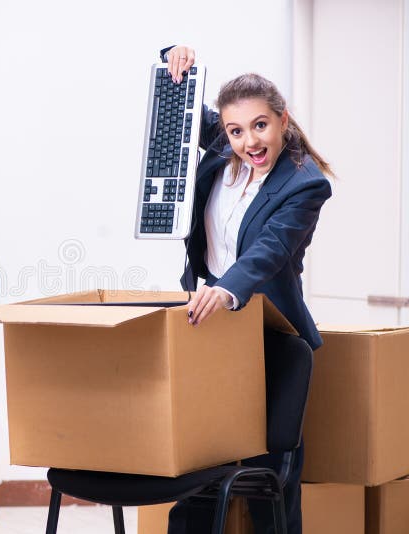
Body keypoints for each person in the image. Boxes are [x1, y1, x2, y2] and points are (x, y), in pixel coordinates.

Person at [162, 46, 333, 534]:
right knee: (194, 478)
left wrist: (226, 290)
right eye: (236, 130)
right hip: (207, 329)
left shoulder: (305, 184)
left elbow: (269, 251)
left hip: (269, 336)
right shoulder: (223, 146)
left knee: (270, 486)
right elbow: (179, 106)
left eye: (260, 126)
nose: (248, 141)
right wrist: (175, 59)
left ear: (282, 120)